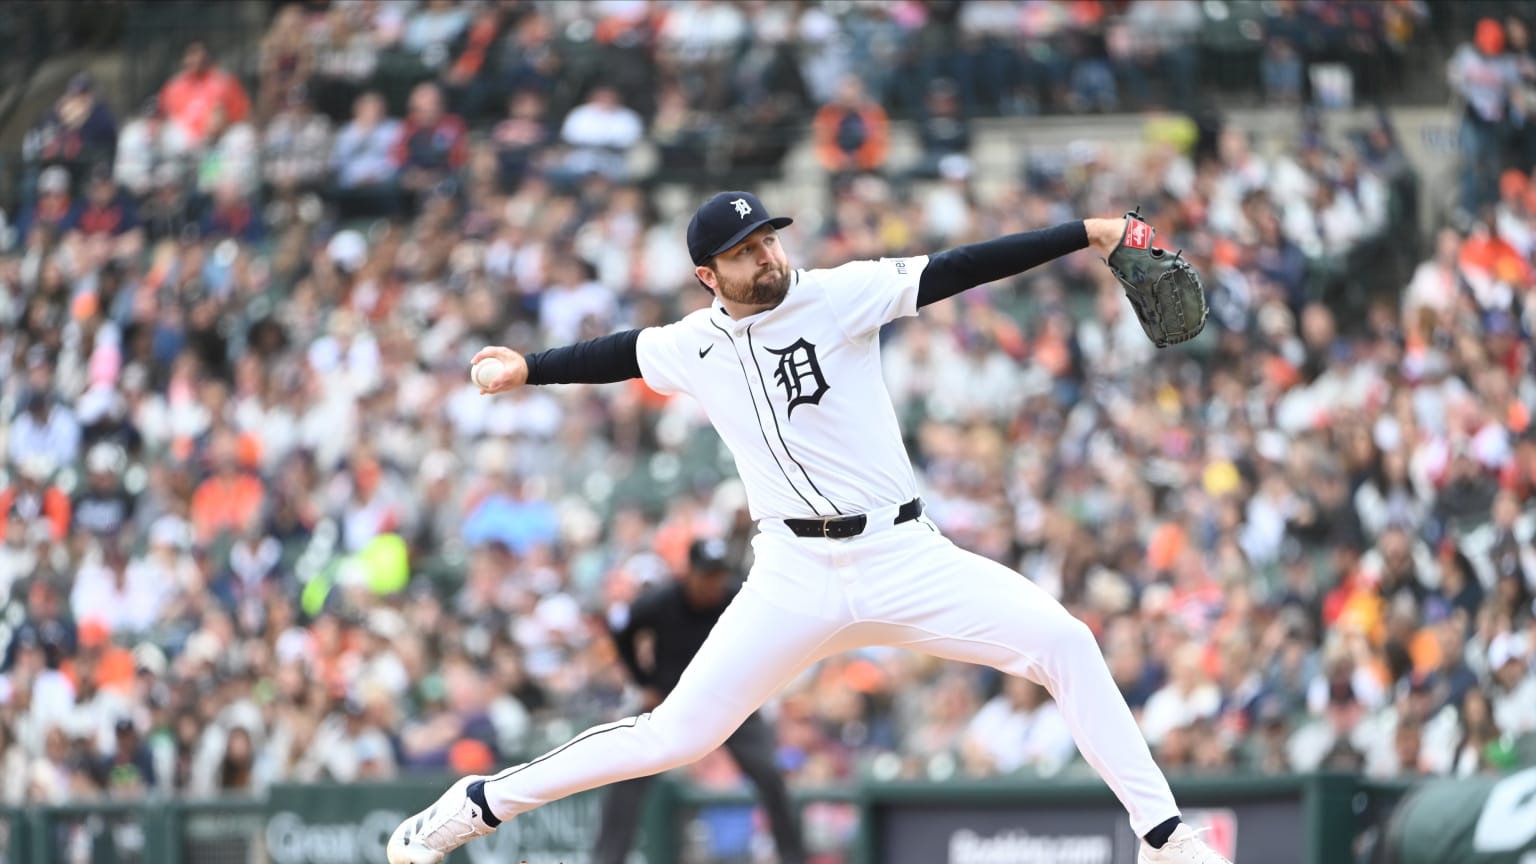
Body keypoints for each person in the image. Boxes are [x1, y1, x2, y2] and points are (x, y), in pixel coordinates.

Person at [388, 190, 1234, 864]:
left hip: (903, 553)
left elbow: (960, 268)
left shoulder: (840, 295)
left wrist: (1083, 232)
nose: (768, 255)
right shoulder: (694, 344)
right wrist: (528, 369)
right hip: (793, 574)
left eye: (769, 240)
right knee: (676, 735)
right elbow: (618, 353)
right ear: (707, 276)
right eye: (746, 252)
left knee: (1065, 641)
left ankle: (1163, 836)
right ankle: (477, 803)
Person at [592, 538, 806, 864]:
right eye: (707, 575)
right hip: (670, 701)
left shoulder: (738, 595)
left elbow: (771, 635)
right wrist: (642, 681)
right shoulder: (661, 601)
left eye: (718, 575)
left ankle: (793, 857)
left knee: (770, 775)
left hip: (730, 701)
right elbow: (622, 629)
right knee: (626, 774)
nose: (713, 583)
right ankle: (607, 859)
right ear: (689, 573)